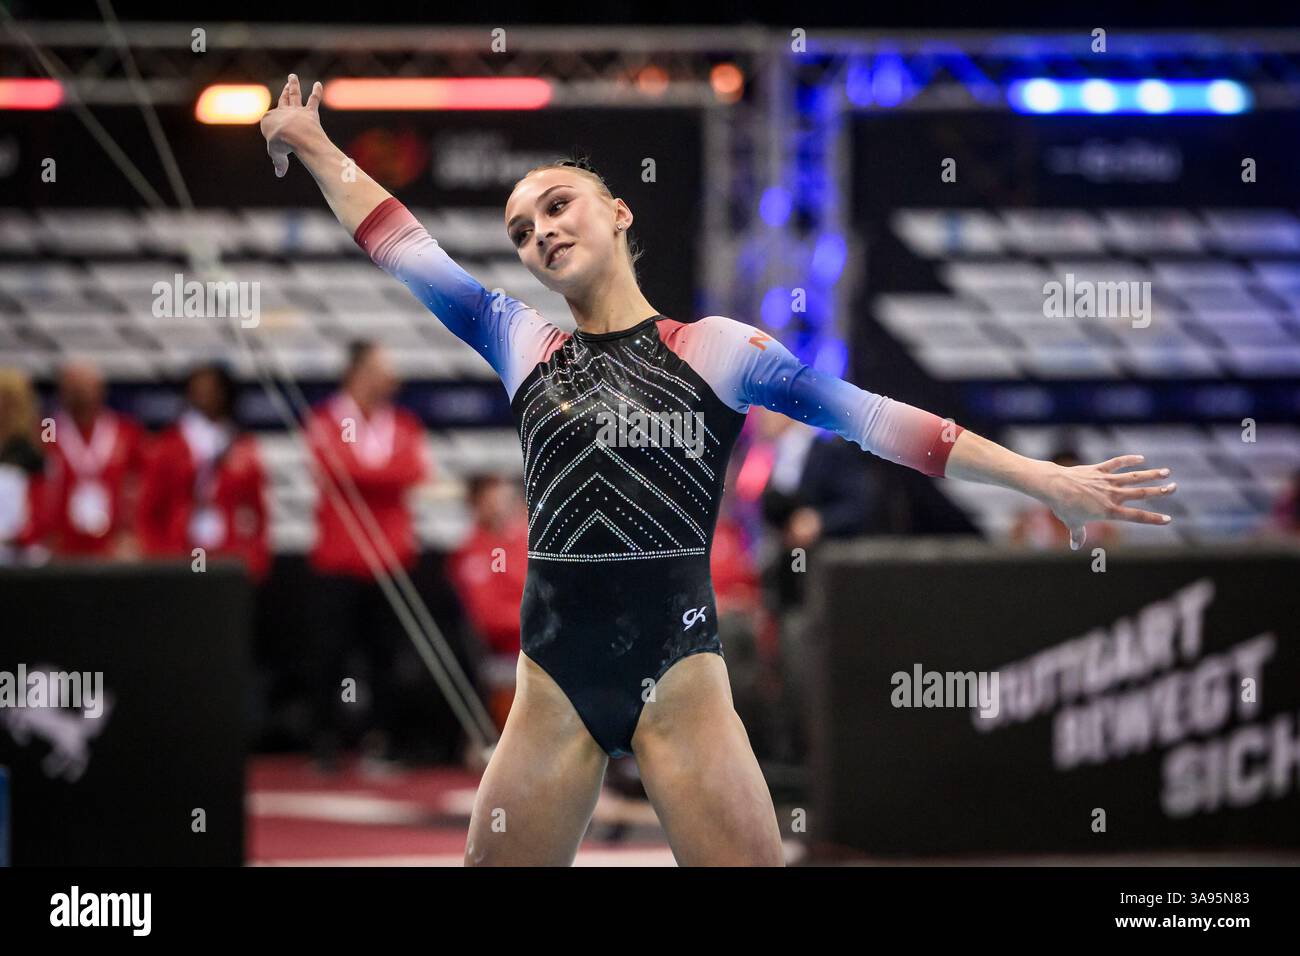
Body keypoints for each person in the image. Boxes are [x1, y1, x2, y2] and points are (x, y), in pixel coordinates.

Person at [261, 73, 1179, 866]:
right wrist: (311, 142)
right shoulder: (519, 342)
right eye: (519, 228)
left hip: (679, 681)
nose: (538, 231)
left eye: (556, 205)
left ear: (618, 213)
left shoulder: (716, 351)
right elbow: (400, 243)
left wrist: (1045, 479)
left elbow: (879, 422)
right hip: (552, 684)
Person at [304, 340, 431, 772]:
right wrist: (383, 476)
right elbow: (331, 465)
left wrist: (364, 477)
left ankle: (383, 740)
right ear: (358, 372)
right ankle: (325, 741)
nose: (391, 378)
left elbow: (415, 471)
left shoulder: (403, 423)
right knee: (331, 655)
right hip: (339, 559)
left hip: (390, 558)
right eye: (382, 368)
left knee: (386, 656)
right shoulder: (328, 418)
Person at [138, 364, 270, 581]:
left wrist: (256, 558)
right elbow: (150, 508)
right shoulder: (170, 445)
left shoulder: (242, 445)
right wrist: (157, 556)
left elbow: (257, 509)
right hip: (180, 550)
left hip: (228, 550)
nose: (206, 396)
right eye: (199, 389)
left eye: (213, 389)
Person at [447, 473, 530, 731]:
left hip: (549, 644)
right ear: (476, 504)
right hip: (509, 652)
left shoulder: (531, 543)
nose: (500, 506)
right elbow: (488, 618)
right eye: (492, 499)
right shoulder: (470, 553)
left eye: (506, 498)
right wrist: (539, 620)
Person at [42, 361, 147, 559]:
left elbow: (142, 486)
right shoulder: (48, 433)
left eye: (86, 387)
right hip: (62, 544)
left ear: (101, 390)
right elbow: (38, 487)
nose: (81, 394)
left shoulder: (126, 432)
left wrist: (131, 532)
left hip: (113, 545)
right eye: (74, 388)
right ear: (62, 392)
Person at [0, 369, 47, 565]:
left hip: (18, 554)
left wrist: (19, 538)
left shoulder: (30, 452)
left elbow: (41, 509)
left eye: (6, 401)